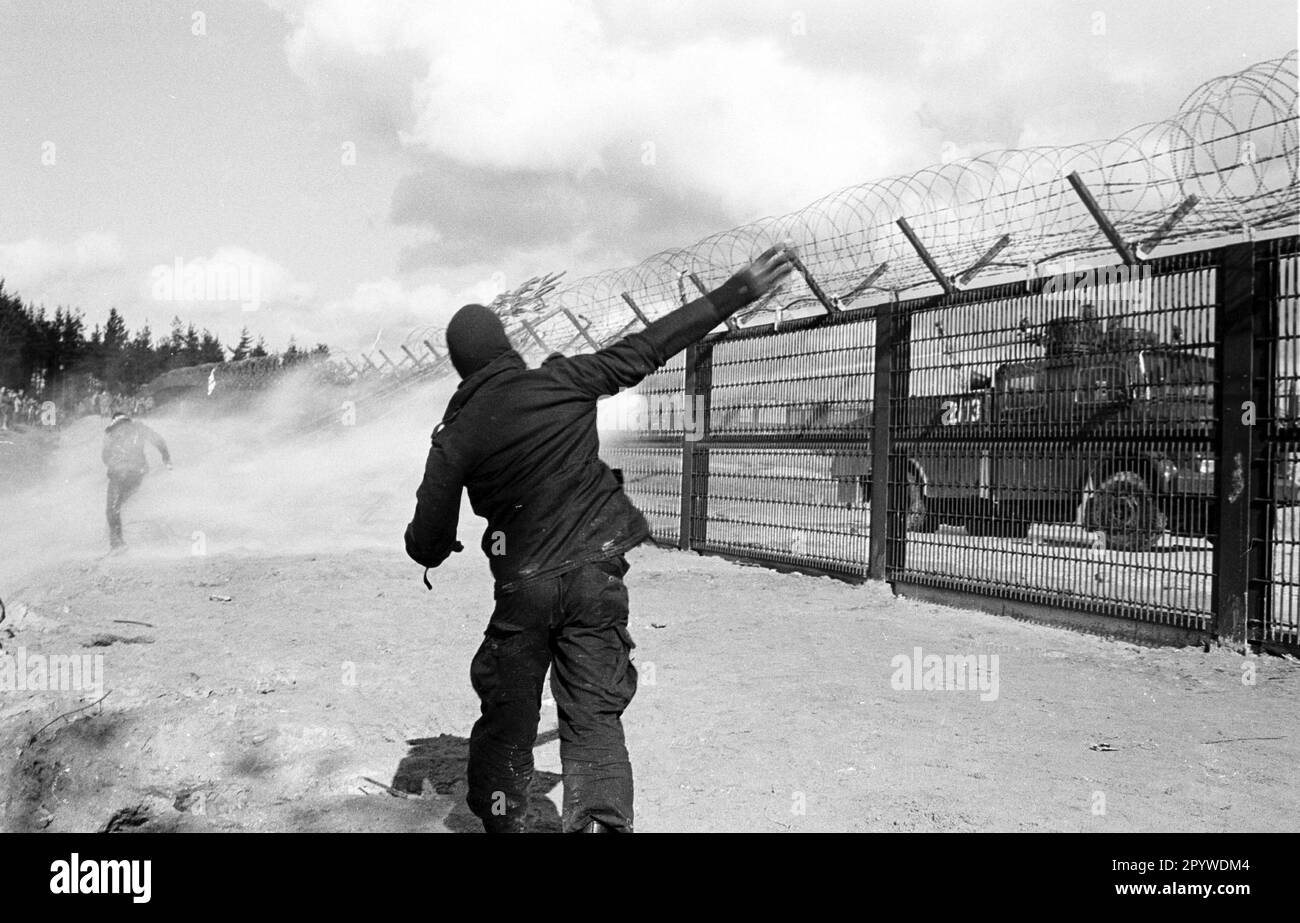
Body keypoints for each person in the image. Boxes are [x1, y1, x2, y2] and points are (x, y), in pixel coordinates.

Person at [404, 245, 795, 833]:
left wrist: (436, 550)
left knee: (507, 720)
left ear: (461, 366)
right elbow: (648, 347)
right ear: (507, 345)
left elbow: (427, 537)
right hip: (595, 574)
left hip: (524, 590)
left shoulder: (455, 435)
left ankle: (506, 821)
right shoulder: (564, 381)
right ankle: (600, 824)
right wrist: (736, 291)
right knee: (593, 717)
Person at [102, 412, 172, 552]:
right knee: (123, 502)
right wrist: (166, 459)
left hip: (119, 473)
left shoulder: (110, 434)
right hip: (138, 473)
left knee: (113, 508)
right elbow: (158, 440)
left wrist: (113, 465)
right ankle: (117, 535)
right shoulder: (139, 427)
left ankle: (117, 543)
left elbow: (104, 456)